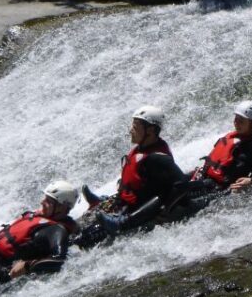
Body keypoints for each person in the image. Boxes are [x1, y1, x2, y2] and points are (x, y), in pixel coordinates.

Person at [75, 106, 188, 247]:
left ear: (151, 130)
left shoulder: (157, 158)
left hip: (138, 209)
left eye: (135, 127)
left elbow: (182, 183)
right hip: (125, 201)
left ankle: (122, 223)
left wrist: (167, 209)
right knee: (77, 226)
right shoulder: (142, 148)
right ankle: (104, 201)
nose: (130, 130)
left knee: (84, 238)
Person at [192, 100, 252, 192]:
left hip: (218, 191)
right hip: (203, 179)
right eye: (236, 118)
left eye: (241, 121)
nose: (236, 122)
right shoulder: (230, 137)